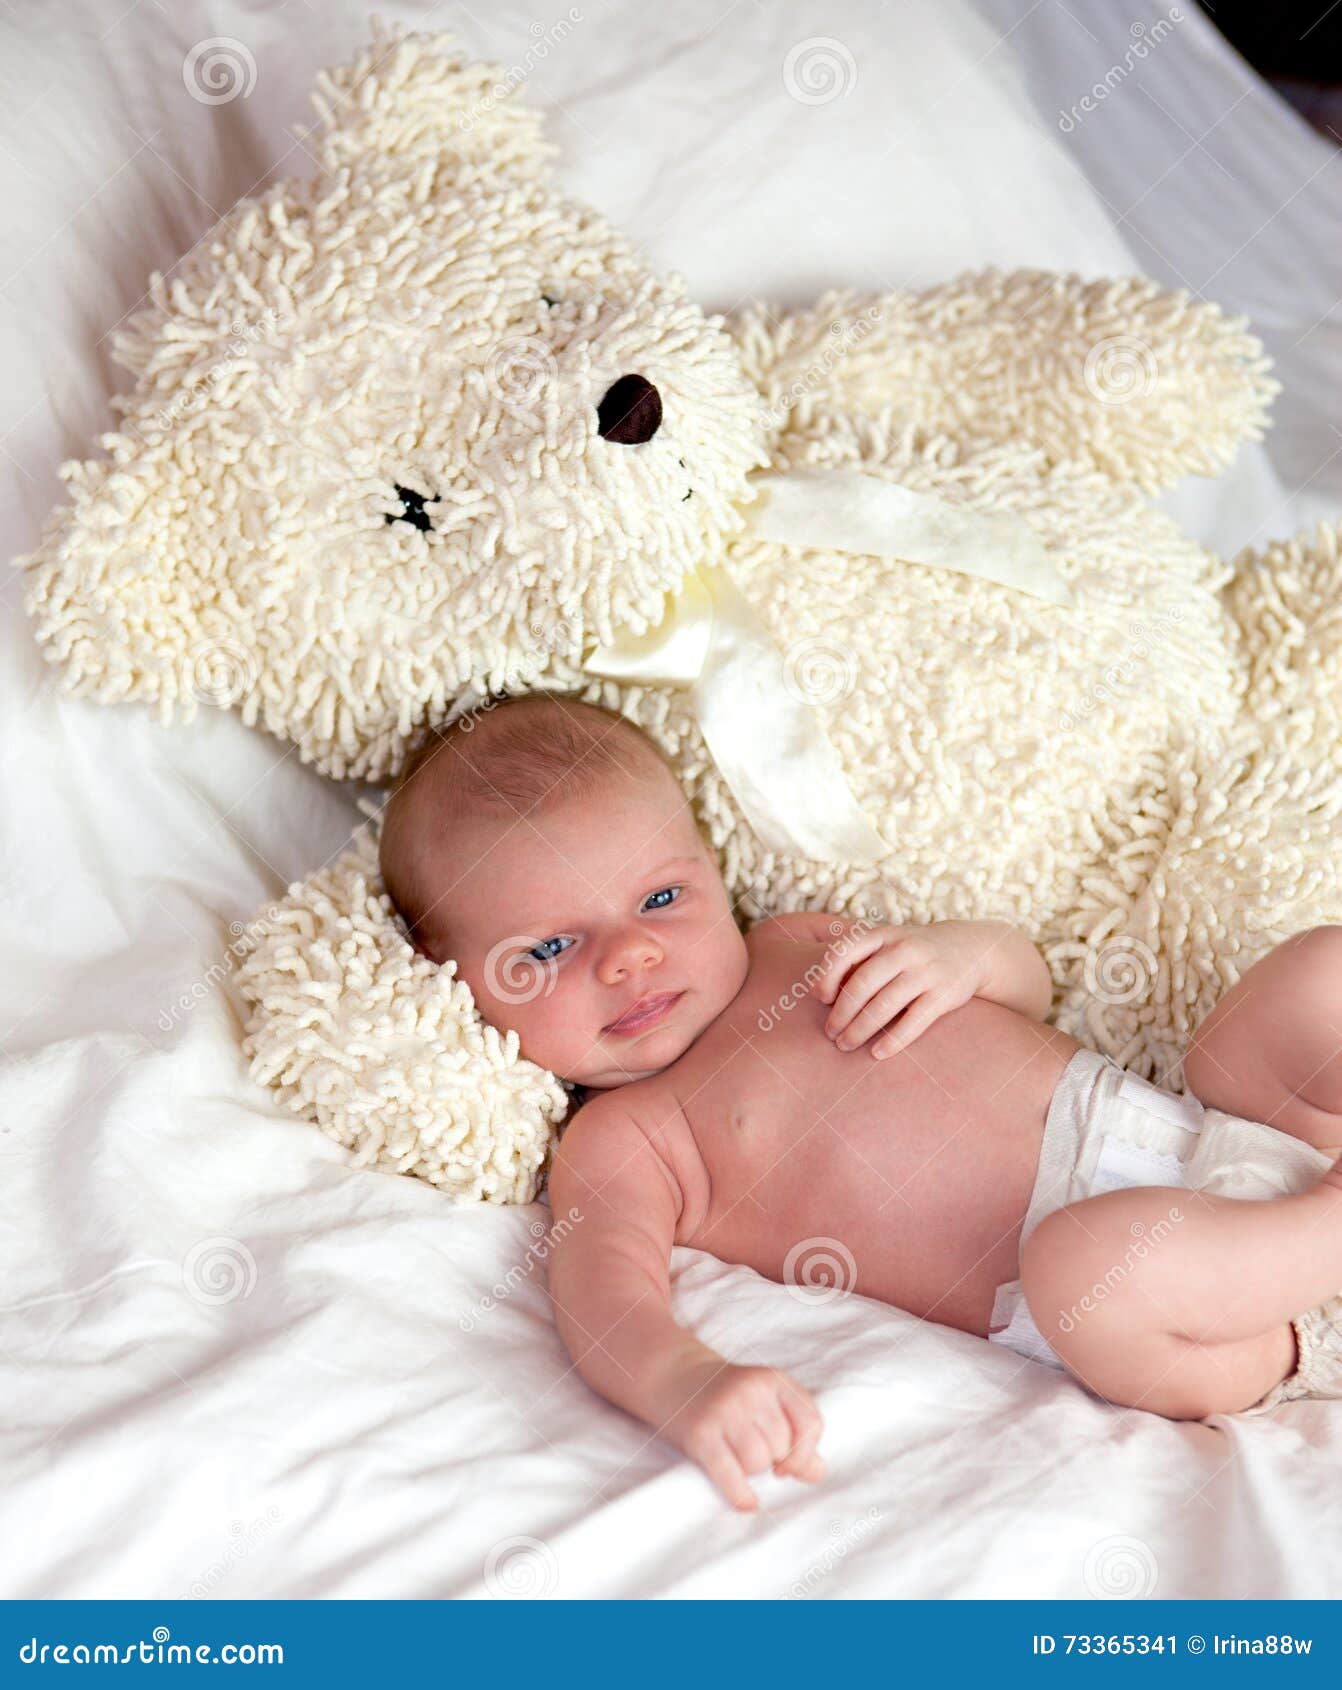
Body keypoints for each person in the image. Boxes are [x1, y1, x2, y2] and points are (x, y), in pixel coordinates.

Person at [380, 689, 1342, 1510]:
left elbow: (1025, 985)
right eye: (548, 949)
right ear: (451, 985)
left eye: (661, 901)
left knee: (1316, 980)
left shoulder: (800, 942)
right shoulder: (626, 1137)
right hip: (1178, 1310)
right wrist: (684, 1379)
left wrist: (963, 954)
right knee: (1082, 1266)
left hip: (1220, 1136)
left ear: (709, 869)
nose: (630, 956)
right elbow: (601, 1293)